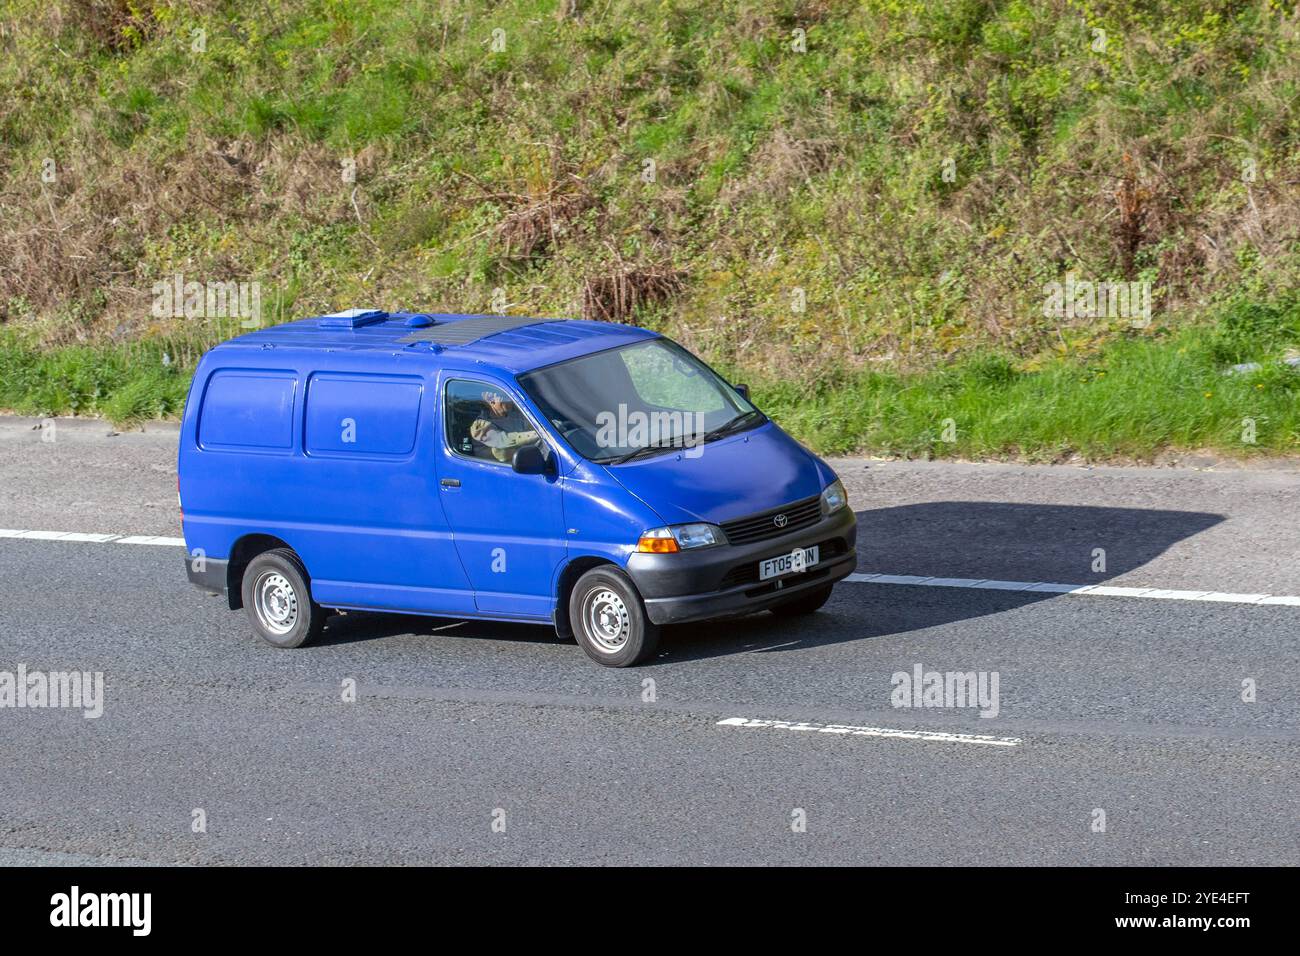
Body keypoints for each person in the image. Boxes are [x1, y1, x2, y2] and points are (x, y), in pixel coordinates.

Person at [469, 390, 539, 462]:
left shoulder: (517, 416)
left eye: (509, 397)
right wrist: (538, 434)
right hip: (495, 468)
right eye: (504, 398)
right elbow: (502, 441)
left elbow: (535, 427)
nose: (509, 401)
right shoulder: (479, 425)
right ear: (492, 401)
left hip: (524, 460)